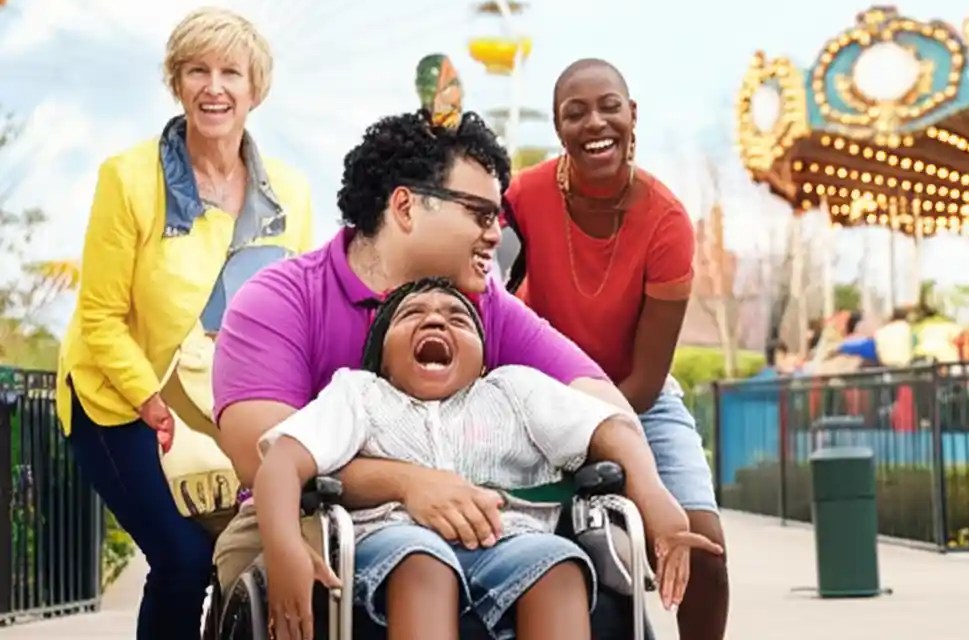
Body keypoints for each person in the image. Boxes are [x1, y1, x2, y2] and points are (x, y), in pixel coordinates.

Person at [210, 109, 644, 637]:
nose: (497, 234)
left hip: (485, 519)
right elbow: (260, 453)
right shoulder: (281, 300)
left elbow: (608, 411)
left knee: (576, 578)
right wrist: (410, 482)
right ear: (405, 206)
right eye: (481, 214)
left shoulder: (484, 309)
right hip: (302, 516)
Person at [255, 277, 719, 640]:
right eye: (412, 314)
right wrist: (284, 547)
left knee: (558, 559)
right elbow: (282, 462)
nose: (435, 321)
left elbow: (610, 429)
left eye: (458, 319)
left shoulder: (512, 389)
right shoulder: (360, 393)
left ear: (481, 362)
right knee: (422, 558)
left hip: (512, 536)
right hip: (395, 538)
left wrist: (652, 495)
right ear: (382, 362)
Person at [53, 7, 313, 640]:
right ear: (177, 83)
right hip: (118, 398)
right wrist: (149, 400)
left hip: (221, 405)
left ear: (256, 89)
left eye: (231, 72)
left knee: (250, 553)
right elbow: (100, 316)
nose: (214, 87)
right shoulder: (130, 178)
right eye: (197, 71)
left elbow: (296, 317)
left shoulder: (292, 194)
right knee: (181, 558)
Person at [503, 58, 730, 638]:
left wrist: (606, 449)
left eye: (609, 106)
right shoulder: (524, 195)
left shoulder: (668, 221)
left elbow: (649, 382)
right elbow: (479, 279)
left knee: (701, 544)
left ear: (633, 116)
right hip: (537, 400)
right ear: (558, 129)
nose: (594, 122)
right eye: (574, 113)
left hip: (635, 399)